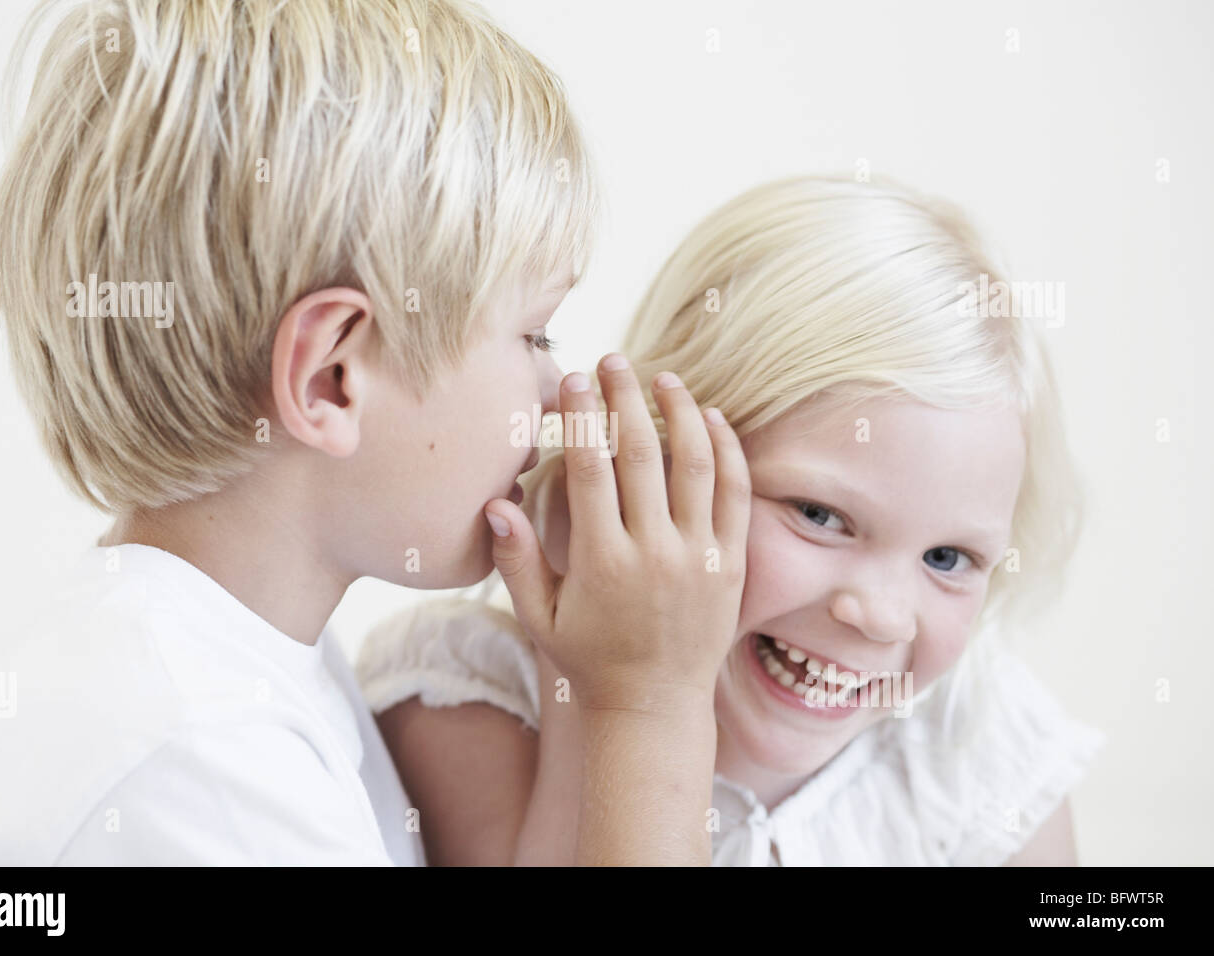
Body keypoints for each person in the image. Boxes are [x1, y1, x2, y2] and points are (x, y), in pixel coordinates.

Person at [0, 0, 749, 866]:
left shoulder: (224, 671)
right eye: (534, 336)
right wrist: (654, 701)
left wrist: (595, 676)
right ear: (331, 380)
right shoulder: (201, 758)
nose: (553, 395)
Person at [359, 176, 1107, 865]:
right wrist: (602, 681)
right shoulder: (464, 699)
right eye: (821, 516)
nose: (881, 617)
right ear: (643, 462)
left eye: (947, 559)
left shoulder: (986, 757)